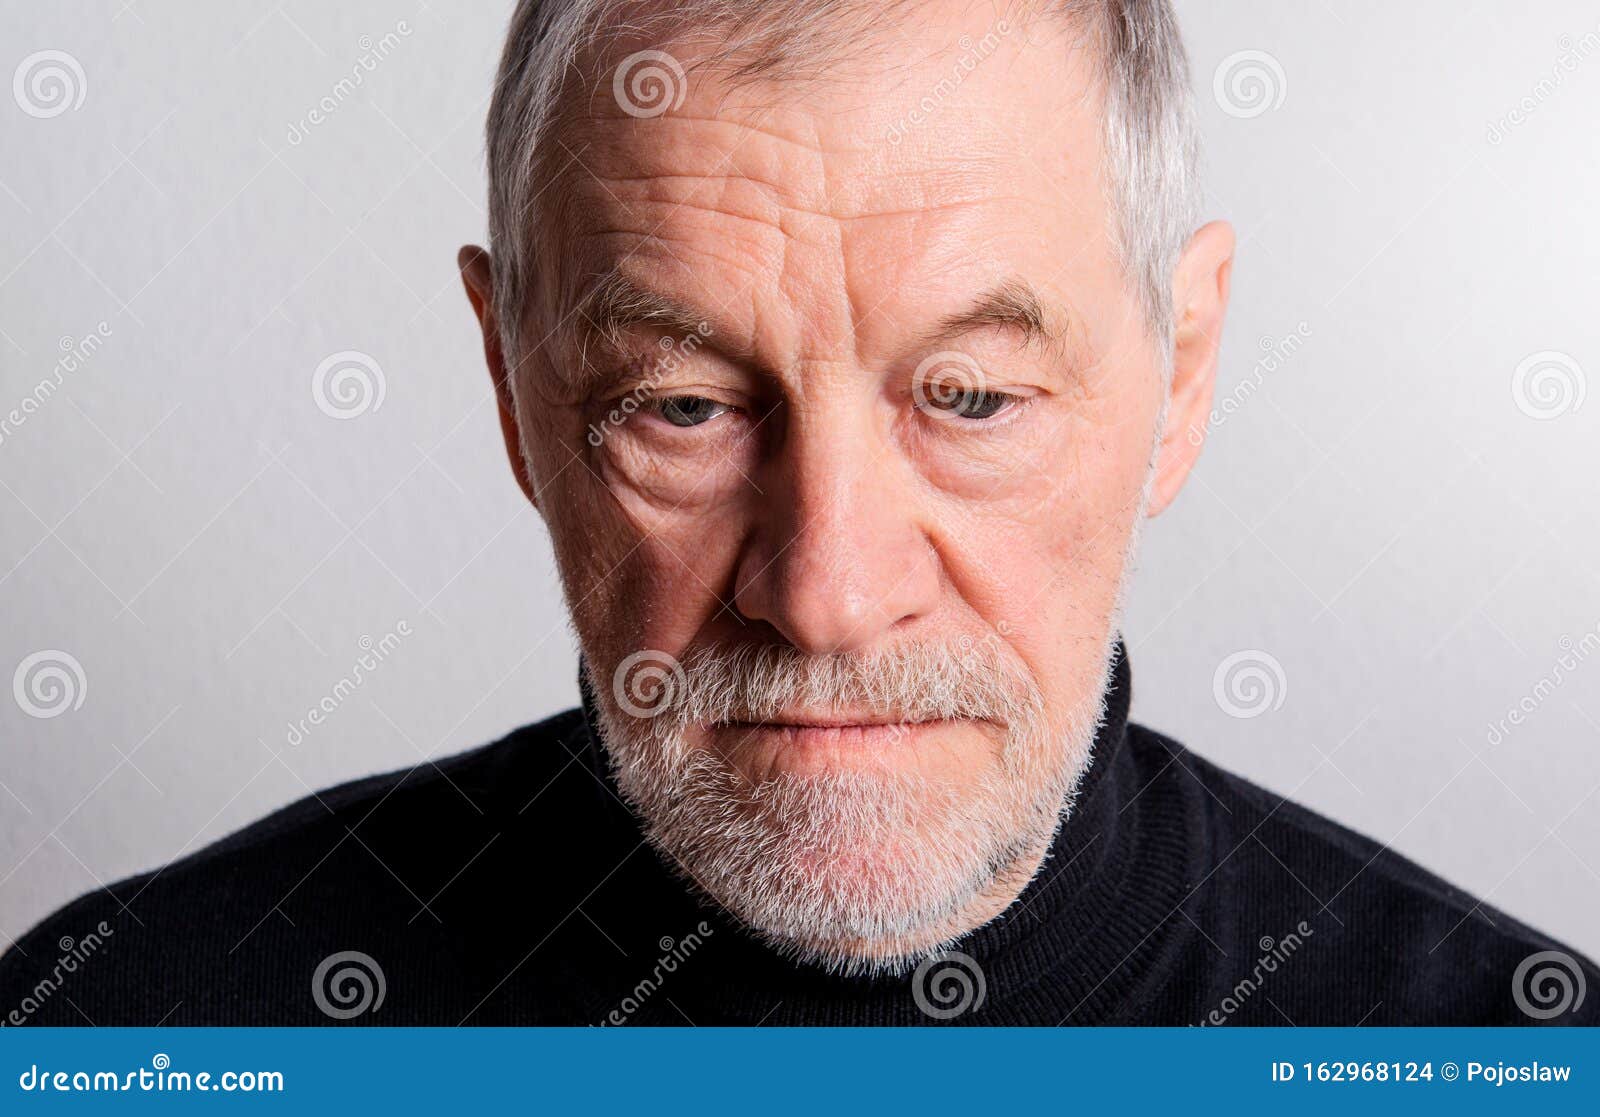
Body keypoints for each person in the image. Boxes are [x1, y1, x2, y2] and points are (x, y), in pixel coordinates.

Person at [3, 0, 1594, 1026]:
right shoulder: (127, 1032)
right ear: (510, 387)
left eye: (968, 398)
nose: (828, 590)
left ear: (1178, 374)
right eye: (685, 407)